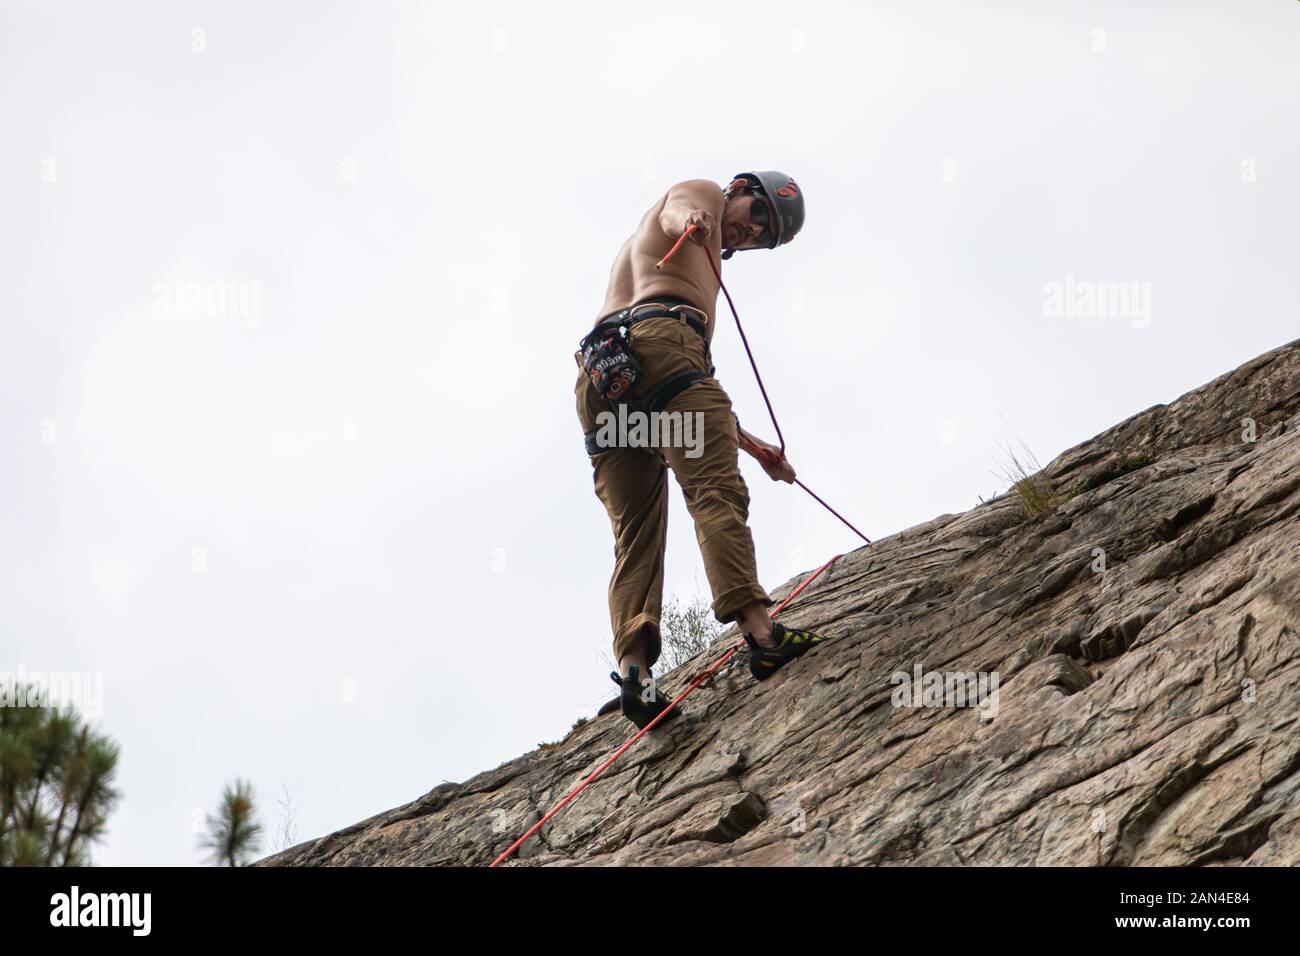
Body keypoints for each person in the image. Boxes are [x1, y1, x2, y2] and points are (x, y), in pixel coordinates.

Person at [575, 172, 827, 731]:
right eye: (757, 213)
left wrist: (757, 448)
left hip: (605, 377)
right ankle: (763, 635)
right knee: (715, 492)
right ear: (740, 187)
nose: (755, 230)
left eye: (765, 236)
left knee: (636, 531)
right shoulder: (704, 198)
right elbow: (684, 207)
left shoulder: (672, 259)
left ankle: (635, 675)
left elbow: (681, 399)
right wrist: (696, 222)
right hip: (663, 342)